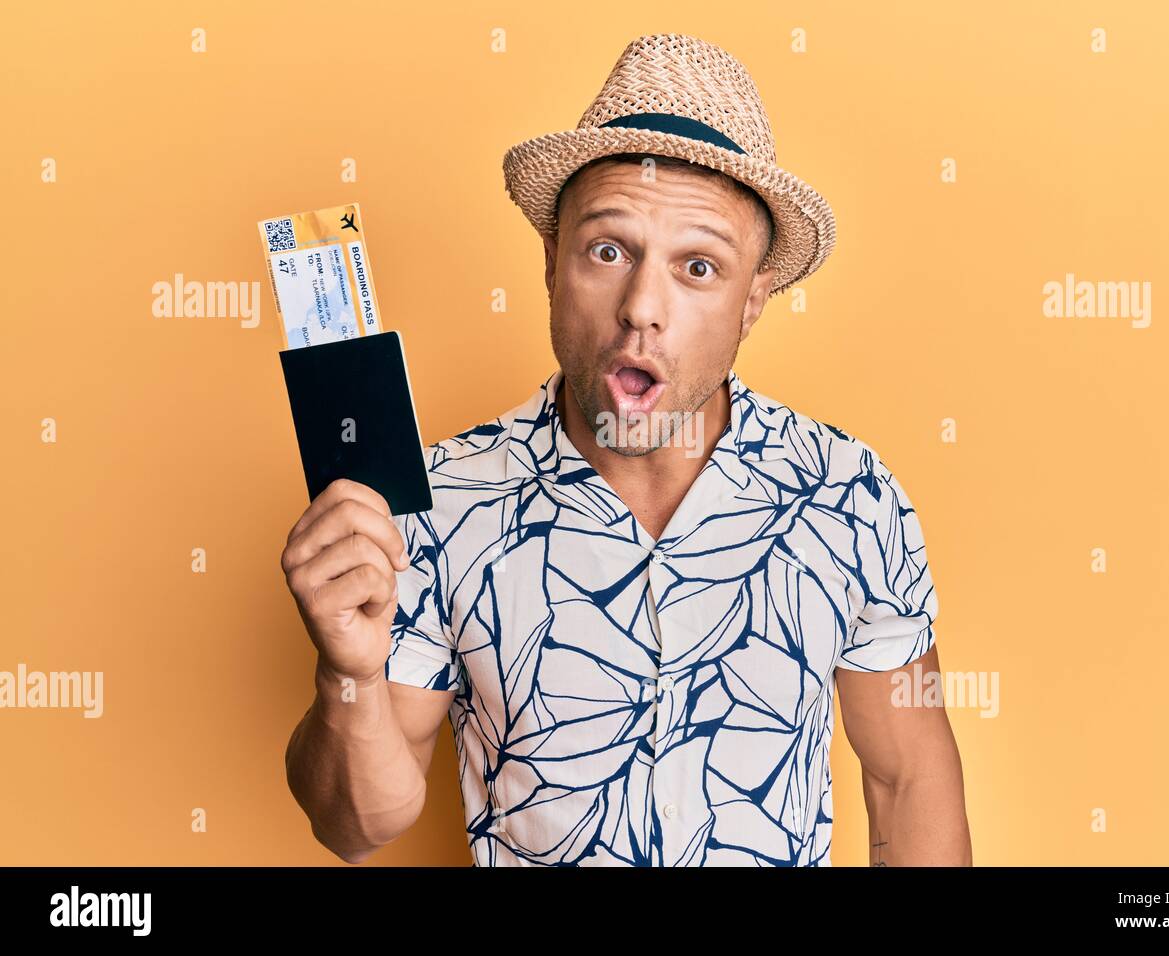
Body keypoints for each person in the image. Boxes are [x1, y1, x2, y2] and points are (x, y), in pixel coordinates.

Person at [283, 33, 971, 866]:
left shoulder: (852, 498)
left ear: (754, 299)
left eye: (699, 268)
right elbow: (358, 827)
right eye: (608, 251)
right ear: (551, 262)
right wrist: (347, 671)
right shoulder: (438, 503)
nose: (642, 306)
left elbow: (911, 781)